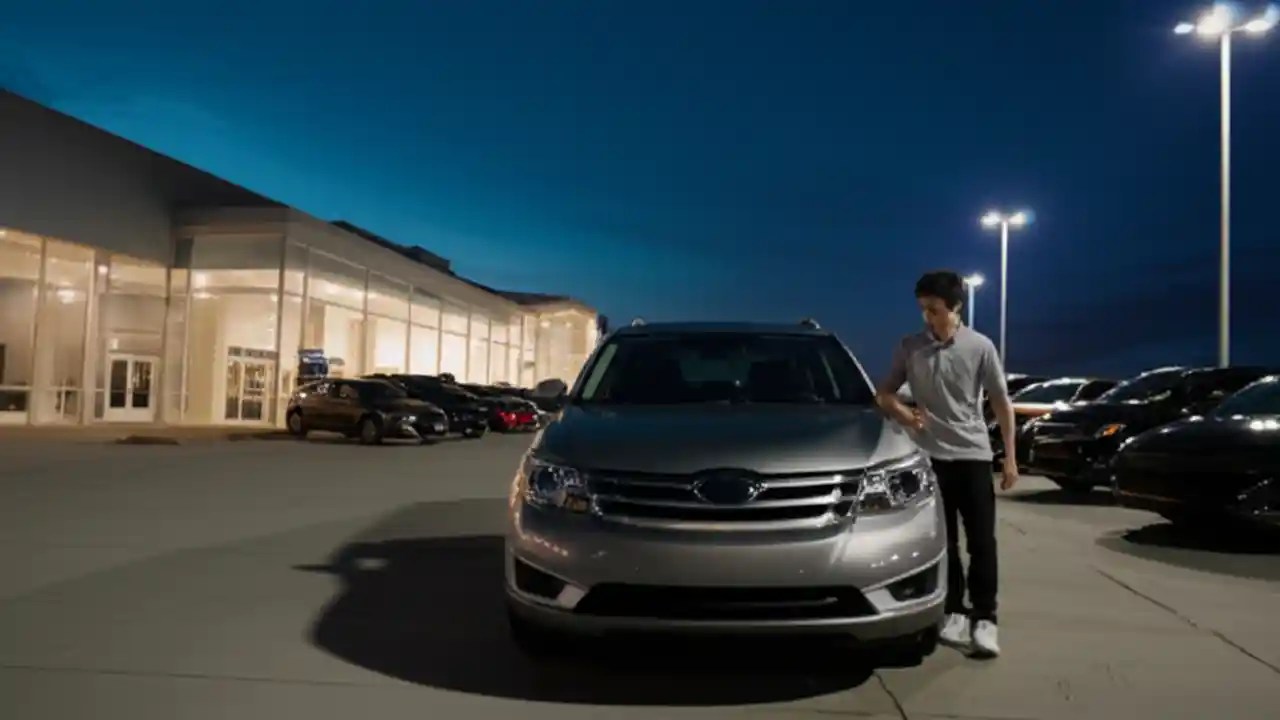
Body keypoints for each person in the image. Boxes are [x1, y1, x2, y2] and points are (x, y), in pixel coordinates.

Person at [875, 270, 1018, 659]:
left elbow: (1002, 403)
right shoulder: (910, 347)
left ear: (955, 307)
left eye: (934, 310)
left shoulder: (980, 346)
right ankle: (954, 611)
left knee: (982, 542)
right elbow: (884, 393)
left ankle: (985, 619)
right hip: (929, 458)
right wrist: (904, 414)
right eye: (922, 310)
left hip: (972, 455)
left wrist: (1010, 458)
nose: (928, 318)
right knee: (946, 542)